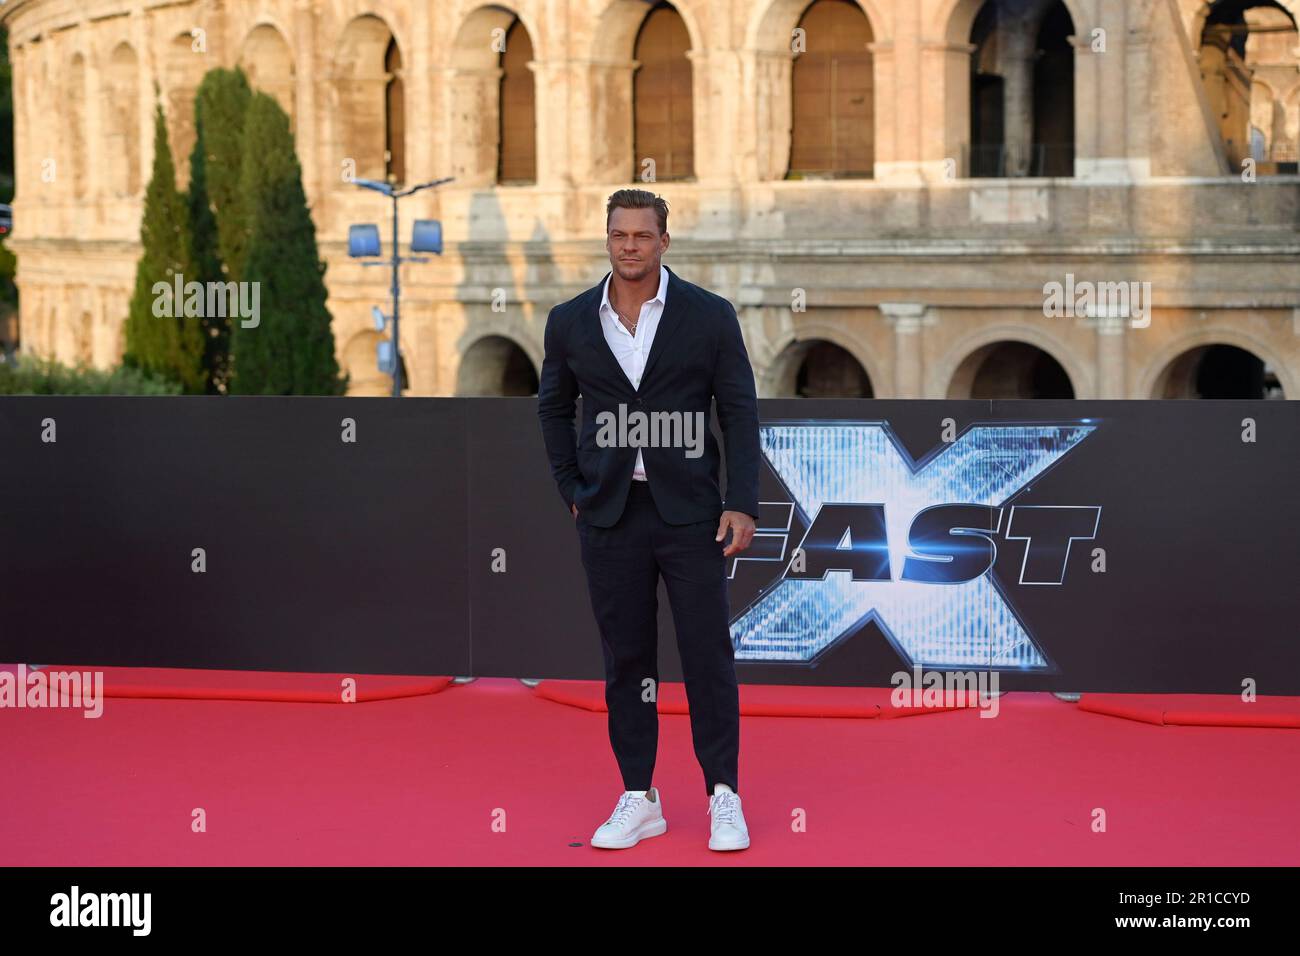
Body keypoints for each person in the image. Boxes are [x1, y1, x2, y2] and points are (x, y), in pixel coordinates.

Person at [537, 189, 761, 851]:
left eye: (642, 234)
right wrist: (573, 488)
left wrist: (741, 500)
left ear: (664, 240)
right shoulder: (571, 321)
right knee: (626, 660)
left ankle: (725, 796)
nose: (629, 245)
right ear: (607, 240)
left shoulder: (710, 317)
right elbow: (553, 409)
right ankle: (639, 796)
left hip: (691, 514)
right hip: (609, 515)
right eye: (619, 235)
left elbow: (739, 413)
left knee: (707, 658)